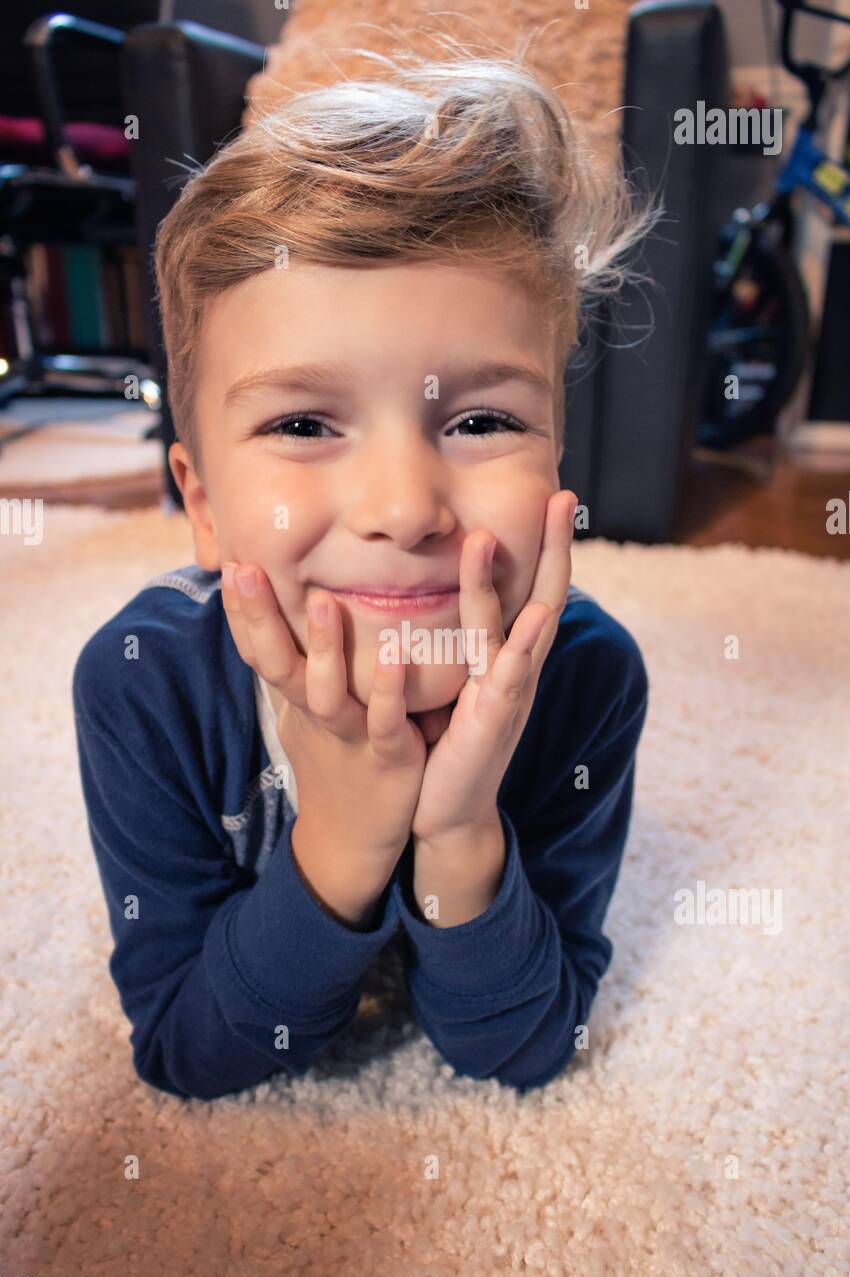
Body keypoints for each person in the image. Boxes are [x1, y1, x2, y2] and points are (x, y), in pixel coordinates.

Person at [73, 48, 654, 1100]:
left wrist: (458, 828)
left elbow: (520, 1049)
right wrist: (338, 837)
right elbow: (187, 1054)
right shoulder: (137, 681)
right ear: (201, 506)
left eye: (480, 421)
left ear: (558, 460)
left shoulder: (586, 676)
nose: (402, 510)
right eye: (303, 423)